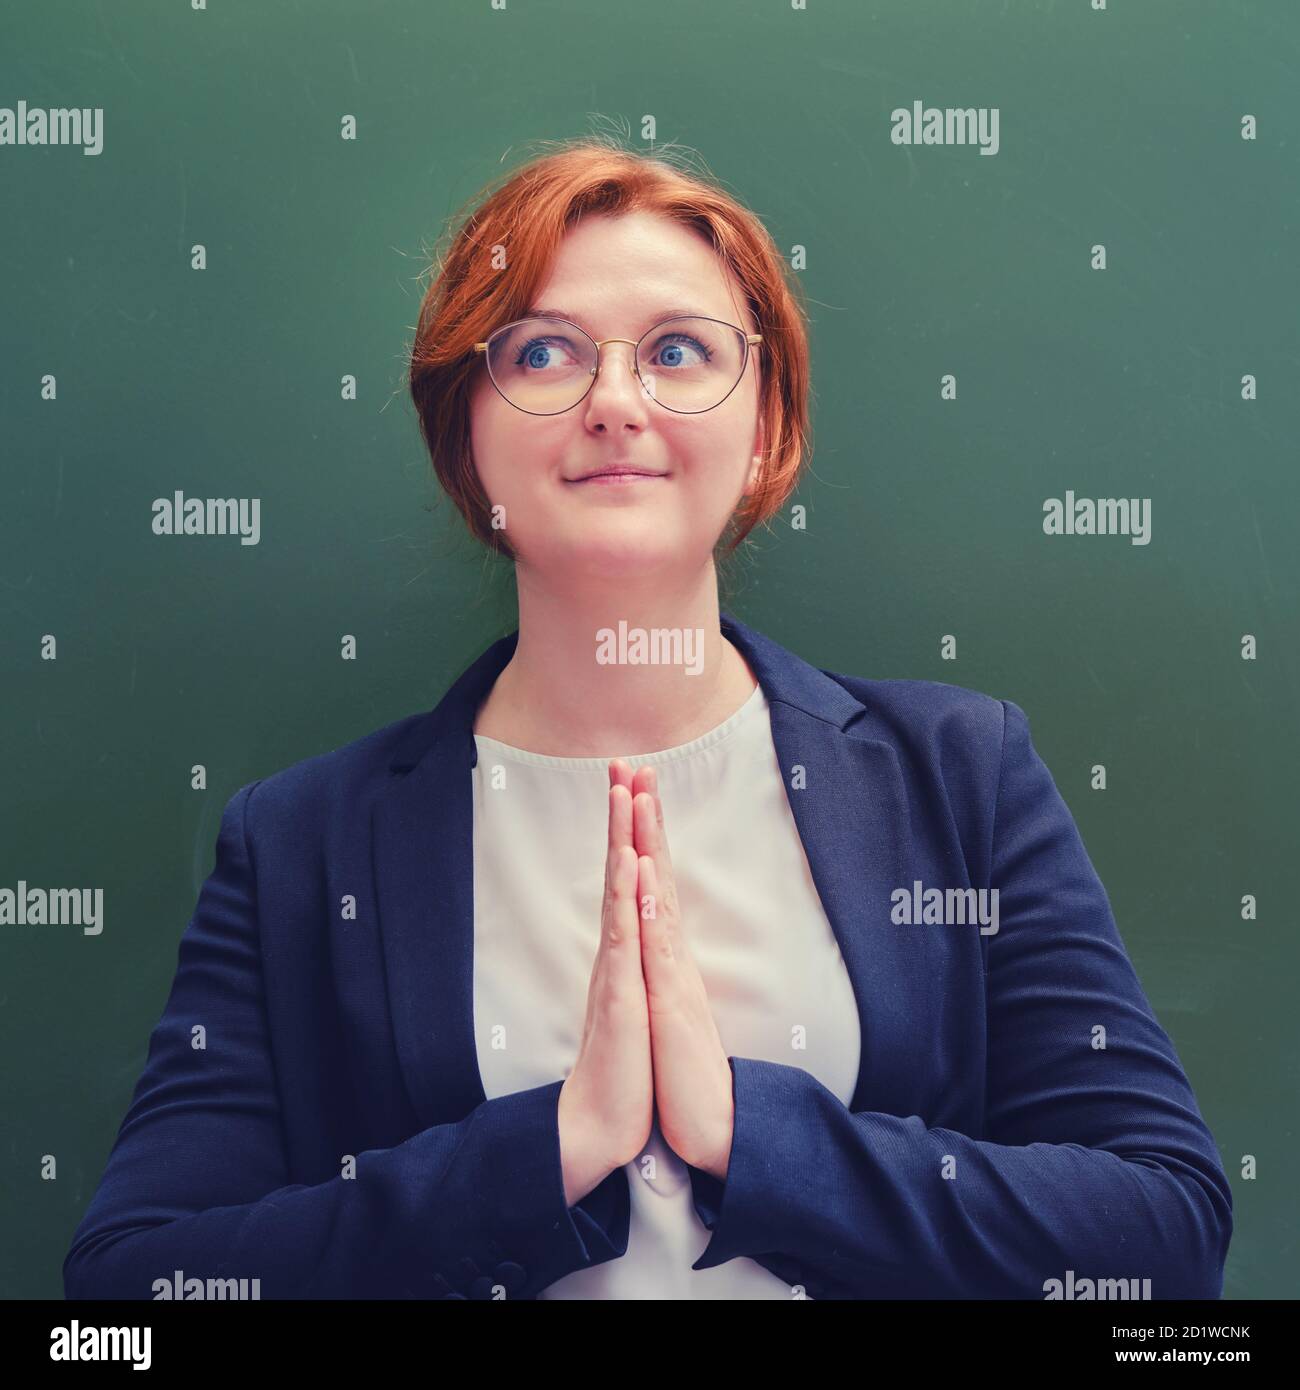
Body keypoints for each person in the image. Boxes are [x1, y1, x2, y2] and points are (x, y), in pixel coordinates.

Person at [64, 139, 1232, 1301]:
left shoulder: (958, 775)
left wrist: (756, 1137)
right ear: (466, 442)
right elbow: (129, 1293)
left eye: (678, 352)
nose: (614, 402)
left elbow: (1163, 1227)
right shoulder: (302, 842)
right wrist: (547, 1152)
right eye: (542, 352)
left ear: (766, 423)